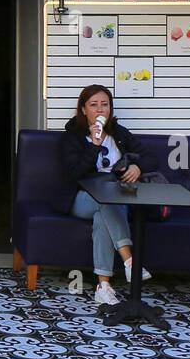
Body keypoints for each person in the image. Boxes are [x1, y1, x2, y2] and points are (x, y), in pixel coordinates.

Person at [59, 84, 159, 306]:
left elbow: (152, 157)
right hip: (80, 197)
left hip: (111, 199)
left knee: (105, 210)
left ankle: (103, 287)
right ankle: (130, 261)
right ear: (84, 110)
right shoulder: (72, 136)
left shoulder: (119, 133)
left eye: (105, 104)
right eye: (93, 105)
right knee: (106, 200)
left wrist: (138, 167)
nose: (100, 109)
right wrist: (94, 145)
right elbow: (73, 172)